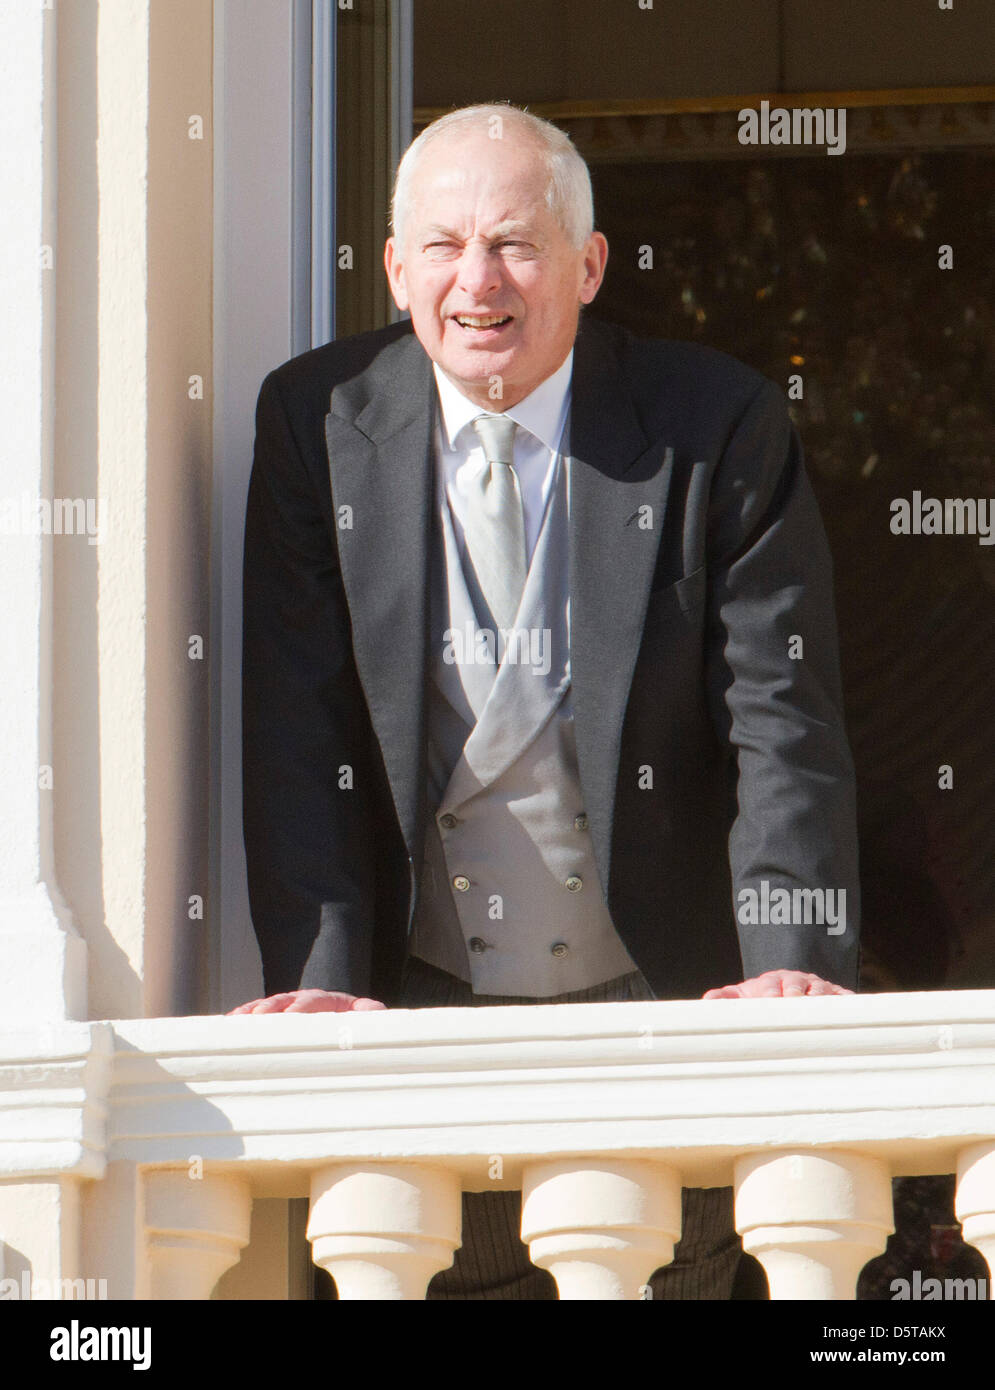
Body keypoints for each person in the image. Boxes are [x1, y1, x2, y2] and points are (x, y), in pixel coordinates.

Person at [233, 103, 860, 1299]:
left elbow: (779, 715)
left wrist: (790, 966)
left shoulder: (710, 422)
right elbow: (297, 728)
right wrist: (323, 972)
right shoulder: (315, 423)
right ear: (393, 264)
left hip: (659, 1008)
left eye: (516, 244)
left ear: (586, 265)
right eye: (443, 244)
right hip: (424, 1017)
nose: (478, 281)